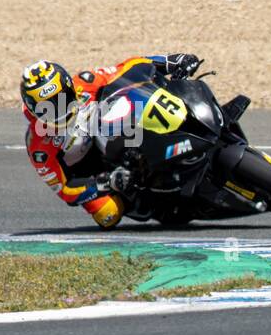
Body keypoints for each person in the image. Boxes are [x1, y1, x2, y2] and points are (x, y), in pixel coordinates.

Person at [19, 53, 201, 228]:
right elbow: (65, 190)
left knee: (127, 102)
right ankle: (159, 202)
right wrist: (106, 182)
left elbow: (128, 67)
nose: (58, 109)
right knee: (108, 214)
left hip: (112, 134)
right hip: (92, 173)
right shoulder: (39, 147)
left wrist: (171, 61)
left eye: (62, 98)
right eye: (47, 107)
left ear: (69, 86)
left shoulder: (85, 82)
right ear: (33, 108)